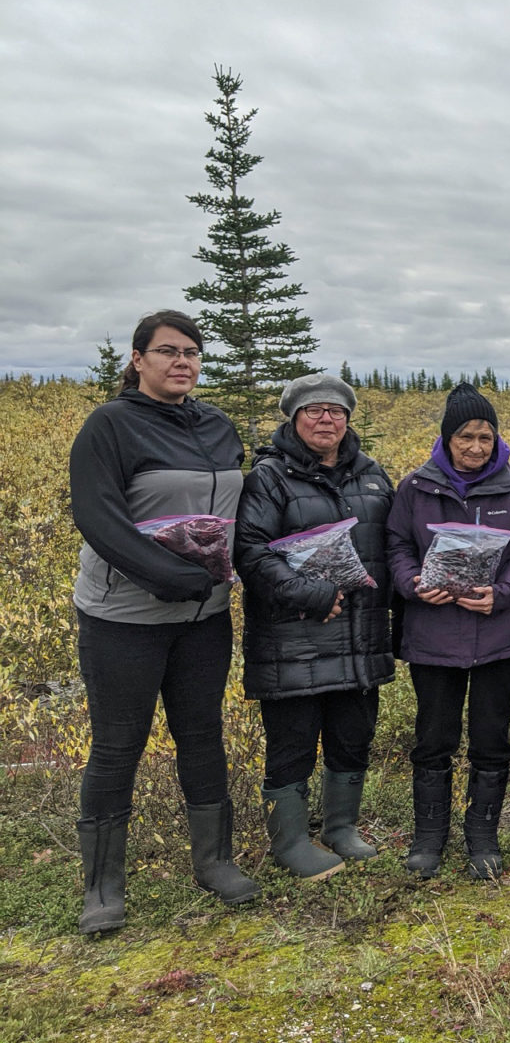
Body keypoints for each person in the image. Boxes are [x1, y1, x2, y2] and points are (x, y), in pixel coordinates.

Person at [68, 309, 260, 933]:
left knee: (202, 734)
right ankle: (102, 888)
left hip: (205, 615)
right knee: (117, 744)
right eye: (169, 351)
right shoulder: (110, 425)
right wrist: (168, 576)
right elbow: (98, 517)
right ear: (138, 358)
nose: (183, 362)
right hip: (124, 616)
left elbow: (237, 513)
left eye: (192, 352)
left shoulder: (217, 425)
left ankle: (215, 862)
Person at [386, 382, 510, 879]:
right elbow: (396, 546)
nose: (476, 447)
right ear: (446, 438)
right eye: (466, 437)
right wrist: (412, 584)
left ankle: (483, 835)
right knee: (433, 737)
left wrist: (504, 591)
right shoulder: (416, 487)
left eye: (485, 437)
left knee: (491, 736)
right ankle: (428, 837)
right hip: (433, 634)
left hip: (498, 633)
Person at [234, 373, 395, 881]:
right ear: (294, 417)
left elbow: (393, 547)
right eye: (314, 410)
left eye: (336, 411)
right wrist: (311, 593)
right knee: (292, 744)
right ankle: (290, 842)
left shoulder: (372, 475)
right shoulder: (269, 477)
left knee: (353, 736)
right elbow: (250, 552)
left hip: (360, 637)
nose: (326, 419)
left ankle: (341, 828)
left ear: (347, 419)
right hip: (294, 638)